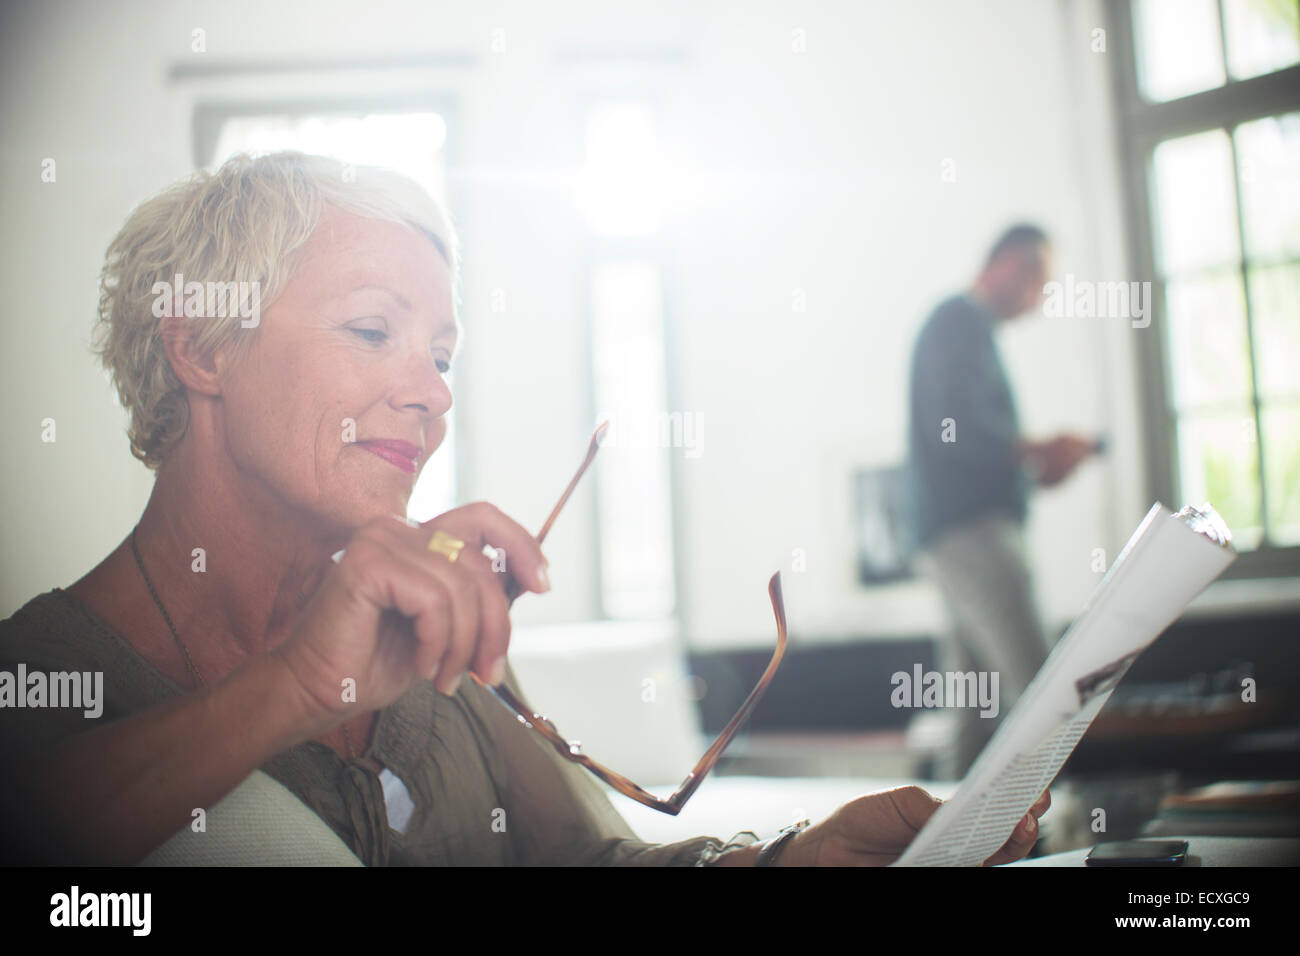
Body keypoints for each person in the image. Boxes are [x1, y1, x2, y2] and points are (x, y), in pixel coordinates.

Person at [0, 153, 1048, 866]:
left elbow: (592, 864)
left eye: (443, 355)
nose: (433, 391)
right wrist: (300, 685)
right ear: (199, 347)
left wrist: (789, 856)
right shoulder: (40, 670)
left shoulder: (435, 639)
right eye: (374, 330)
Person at [906, 224, 1101, 779]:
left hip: (953, 533)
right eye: (1039, 282)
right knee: (1043, 692)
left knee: (972, 708)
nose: (1038, 300)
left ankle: (944, 851)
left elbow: (970, 447)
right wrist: (1040, 449)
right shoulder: (958, 322)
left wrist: (1037, 469)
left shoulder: (967, 330)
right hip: (972, 535)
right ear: (1007, 265)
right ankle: (1062, 834)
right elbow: (959, 430)